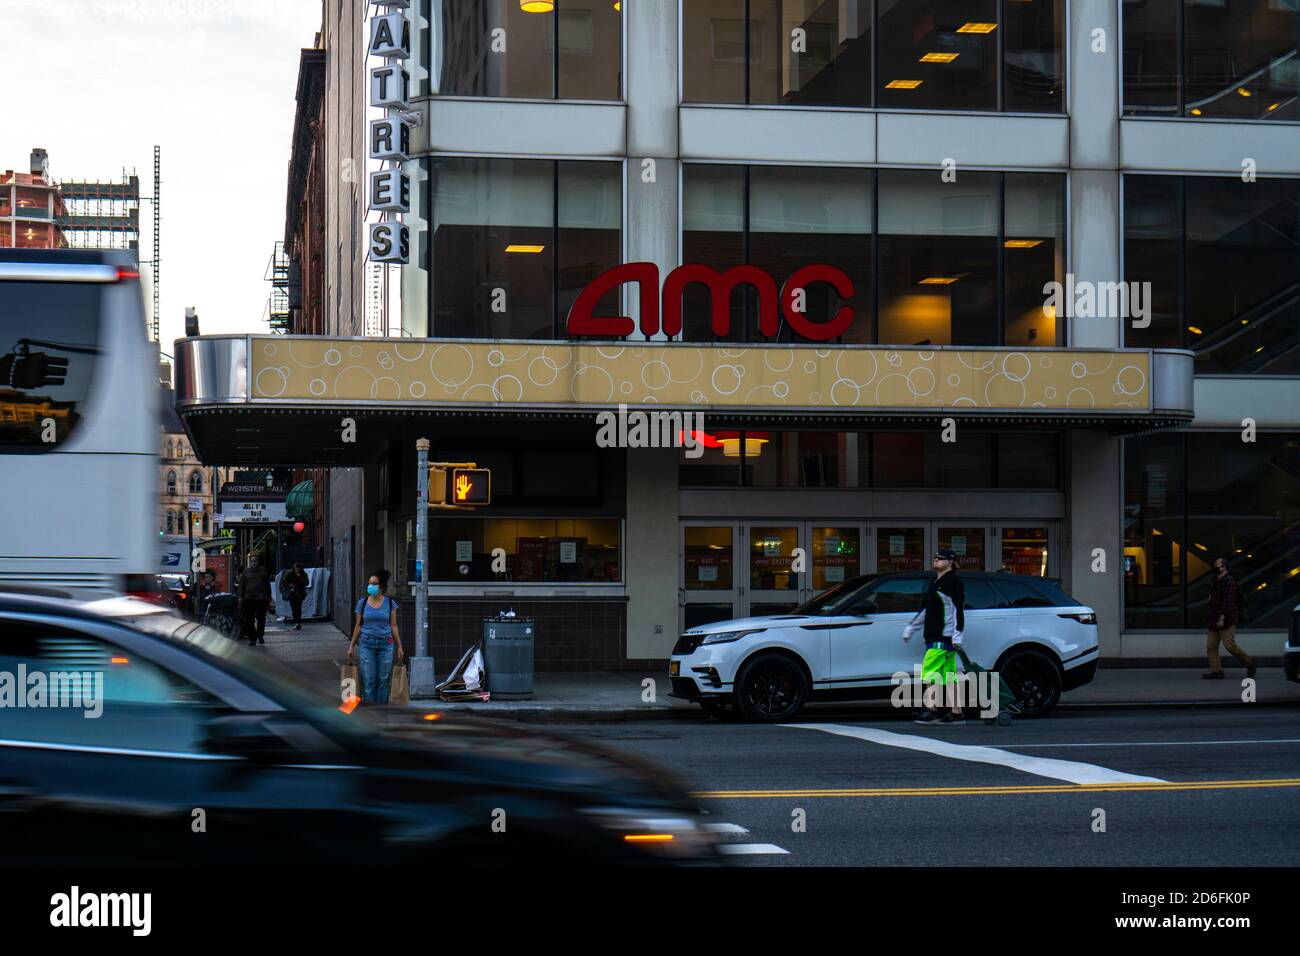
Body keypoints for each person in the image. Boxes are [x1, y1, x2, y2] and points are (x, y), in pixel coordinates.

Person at [903, 548, 966, 725]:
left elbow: (957, 610)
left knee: (930, 672)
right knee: (949, 675)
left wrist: (957, 635)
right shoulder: (935, 582)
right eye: (935, 557)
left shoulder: (953, 582)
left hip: (942, 635)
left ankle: (931, 709)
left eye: (940, 558)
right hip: (939, 635)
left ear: (950, 562)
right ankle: (956, 712)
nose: (936, 560)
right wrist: (911, 627)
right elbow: (925, 609)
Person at [348, 570, 403, 704]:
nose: (371, 586)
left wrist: (399, 646)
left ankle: (381, 711)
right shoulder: (362, 603)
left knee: (383, 680)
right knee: (368, 680)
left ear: (382, 587)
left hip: (386, 644)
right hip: (367, 644)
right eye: (369, 583)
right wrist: (351, 647)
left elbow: (394, 626)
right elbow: (358, 626)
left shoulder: (390, 603)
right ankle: (370, 711)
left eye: (374, 583)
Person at [1203, 557, 1255, 680]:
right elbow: (1213, 595)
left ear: (1223, 567)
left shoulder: (1229, 582)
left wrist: (1222, 618)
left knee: (1229, 645)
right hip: (1214, 617)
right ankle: (1216, 671)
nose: (1214, 566)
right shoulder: (1215, 580)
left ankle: (1250, 663)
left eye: (1217, 564)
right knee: (1211, 646)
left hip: (1227, 618)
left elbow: (1228, 601)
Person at [237, 553, 272, 646]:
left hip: (261, 598)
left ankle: (260, 635)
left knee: (261, 619)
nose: (253, 563)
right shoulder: (246, 572)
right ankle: (252, 638)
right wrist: (240, 597)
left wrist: (269, 597)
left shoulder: (263, 571)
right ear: (250, 562)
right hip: (248, 599)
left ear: (258, 562)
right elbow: (241, 586)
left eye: (255, 561)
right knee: (249, 619)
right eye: (252, 561)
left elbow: (267, 585)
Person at [282, 562, 310, 630]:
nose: (297, 570)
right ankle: (296, 622)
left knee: (298, 608)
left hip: (300, 593)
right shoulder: (289, 574)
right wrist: (289, 585)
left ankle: (298, 623)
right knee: (294, 608)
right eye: (296, 569)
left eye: (299, 569)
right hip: (292, 593)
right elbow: (284, 582)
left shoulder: (303, 574)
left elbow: (306, 583)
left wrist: (299, 577)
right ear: (294, 568)